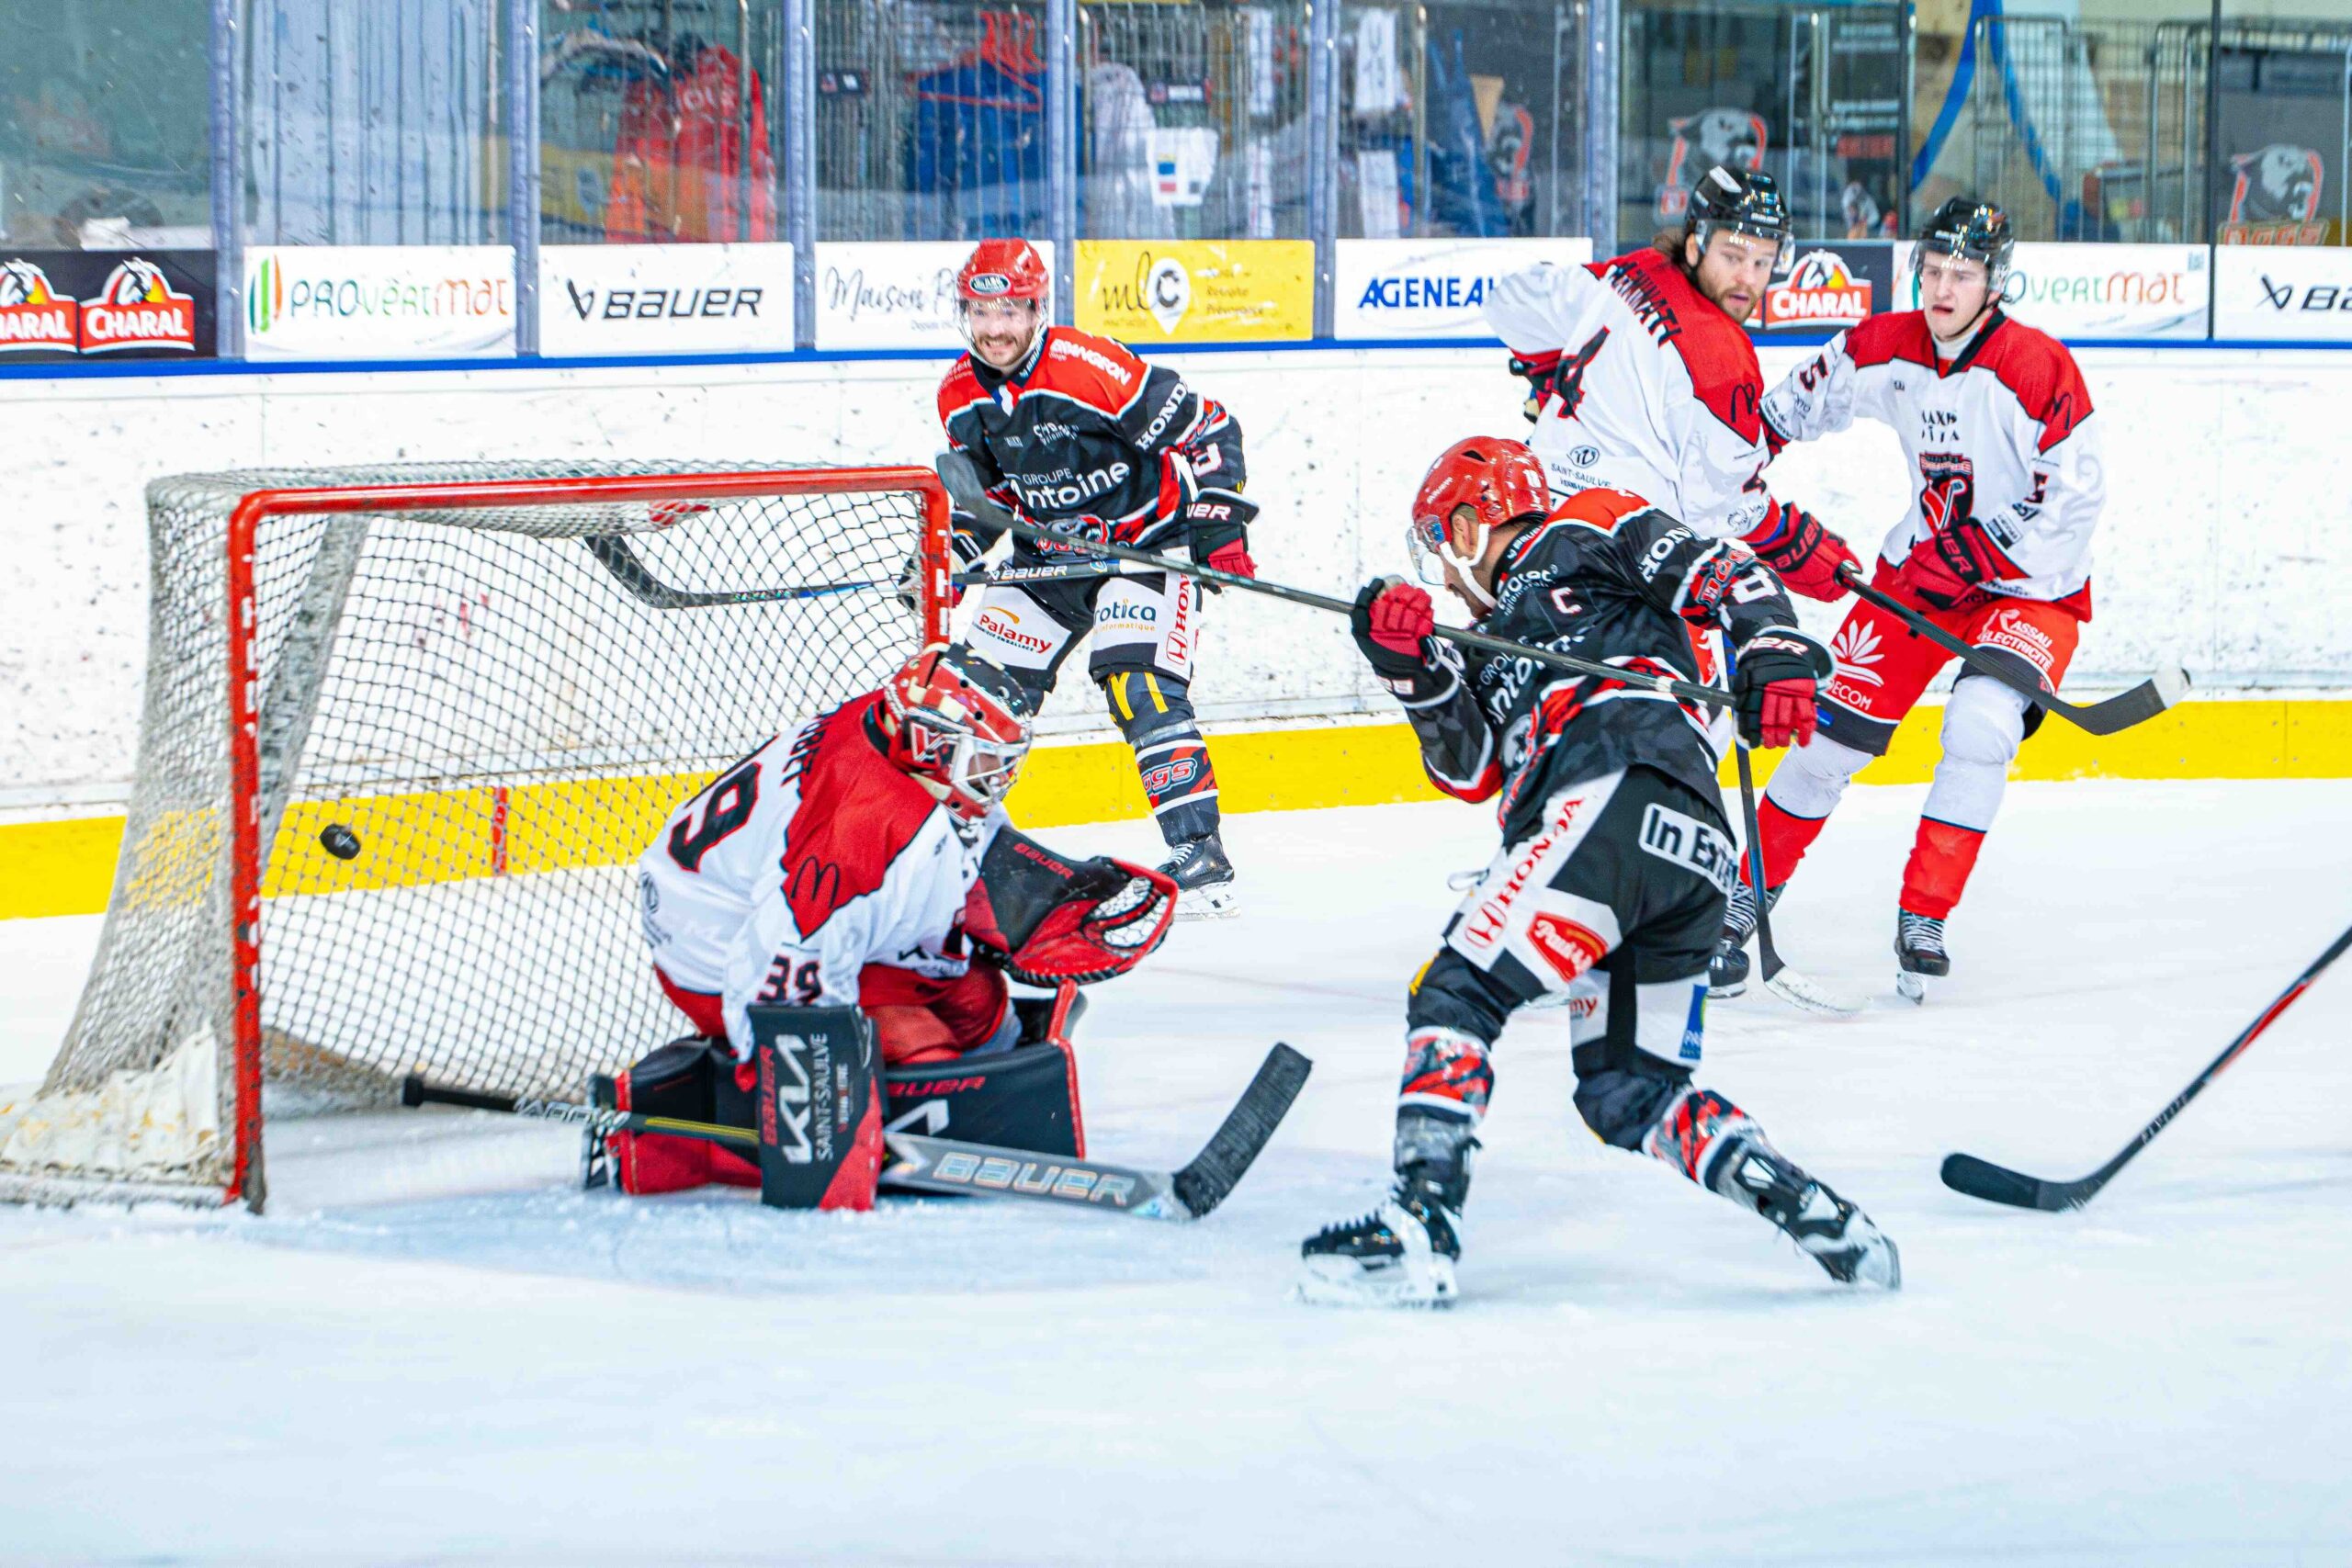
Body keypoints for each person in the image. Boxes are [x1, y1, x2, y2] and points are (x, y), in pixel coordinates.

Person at [1296, 437, 1898, 1308]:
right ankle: (1820, 1215)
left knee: (1457, 989)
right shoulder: (1476, 639)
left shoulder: (1586, 523)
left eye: (1438, 540)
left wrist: (1773, 643)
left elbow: (1724, 571)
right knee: (1628, 1089)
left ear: (1468, 522)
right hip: (1688, 851)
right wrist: (1408, 665)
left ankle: (1420, 1227)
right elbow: (1467, 768)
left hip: (1611, 792)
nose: (1437, 566)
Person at [1714, 198, 2102, 1000]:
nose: (1942, 287)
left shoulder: (2038, 366)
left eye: (1962, 273)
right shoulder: (1886, 344)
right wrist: (1733, 471)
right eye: (1932, 269)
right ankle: (1743, 901)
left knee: (1982, 726)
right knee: (1826, 742)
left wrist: (1975, 549)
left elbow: (2074, 499)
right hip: (1919, 572)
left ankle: (1924, 914)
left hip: (2029, 590)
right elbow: (1788, 407)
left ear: (1996, 280)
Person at [623, 643, 1174, 1201]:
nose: (1000, 778)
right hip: (712, 955)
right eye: (986, 761)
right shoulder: (852, 840)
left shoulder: (895, 730)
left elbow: (914, 853)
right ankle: (951, 1128)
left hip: (761, 903)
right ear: (931, 746)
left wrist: (1021, 898)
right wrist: (802, 1108)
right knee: (920, 1037)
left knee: (977, 999)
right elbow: (778, 967)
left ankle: (988, 1112)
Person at [935, 238, 1255, 918]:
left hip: (1142, 544)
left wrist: (1220, 523)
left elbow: (1212, 429)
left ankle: (1202, 854)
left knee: (1137, 679)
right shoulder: (959, 395)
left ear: (1036, 307)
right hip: (1046, 560)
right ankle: (947, 852)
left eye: (1011, 311)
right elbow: (987, 504)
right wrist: (951, 557)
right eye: (980, 312)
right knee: (974, 694)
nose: (996, 329)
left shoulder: (1090, 367)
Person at [1482, 164, 1860, 607]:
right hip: (1623, 553)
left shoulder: (1636, 268)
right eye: (1733, 257)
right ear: (1697, 244)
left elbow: (1511, 301)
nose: (1748, 279)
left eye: (1762, 261)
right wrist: (1795, 542)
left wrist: (1547, 373)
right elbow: (1721, 503)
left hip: (1536, 517)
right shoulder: (1725, 360)